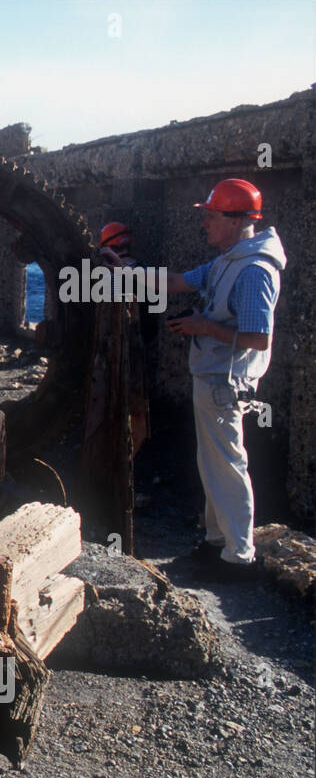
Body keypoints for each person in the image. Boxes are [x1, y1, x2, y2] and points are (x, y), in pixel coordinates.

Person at [162, 179, 286, 580]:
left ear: (236, 221)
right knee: (212, 462)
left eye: (213, 217)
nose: (206, 224)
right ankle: (217, 544)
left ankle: (238, 557)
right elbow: (177, 282)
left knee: (228, 465)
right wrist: (124, 271)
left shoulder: (253, 271)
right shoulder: (227, 261)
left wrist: (203, 326)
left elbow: (258, 337)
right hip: (212, 377)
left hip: (225, 382)